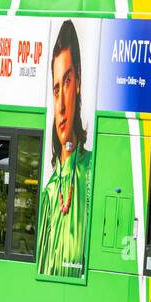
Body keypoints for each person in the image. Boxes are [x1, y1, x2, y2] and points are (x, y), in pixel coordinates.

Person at [38, 20, 93, 278]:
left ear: (79, 82)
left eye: (67, 82)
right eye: (56, 88)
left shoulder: (92, 174)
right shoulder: (49, 193)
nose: (60, 105)